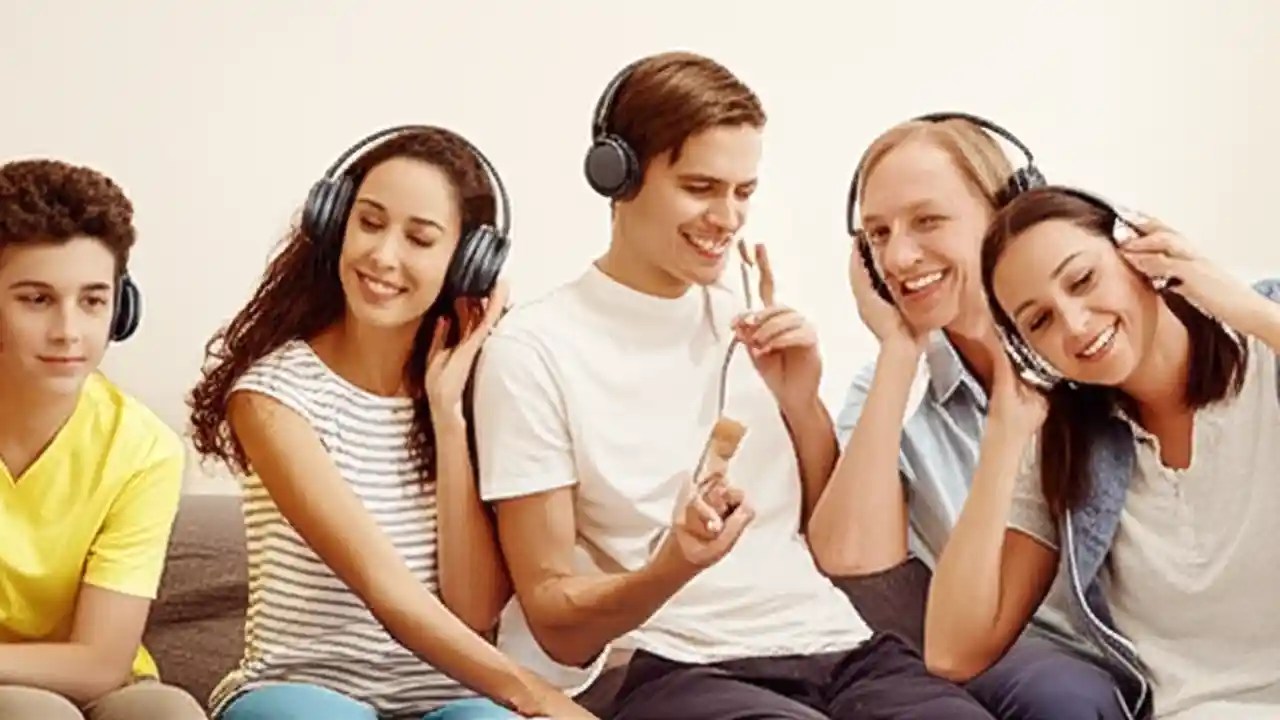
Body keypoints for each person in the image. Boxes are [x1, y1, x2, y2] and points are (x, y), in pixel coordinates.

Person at [471, 51, 994, 720]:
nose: (728, 217)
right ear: (617, 175)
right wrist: (674, 565)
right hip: (670, 664)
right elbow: (553, 620)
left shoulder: (749, 320)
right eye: (701, 187)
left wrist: (801, 402)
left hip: (834, 644)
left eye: (743, 192)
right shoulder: (533, 351)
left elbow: (833, 547)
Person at [185, 125, 594, 720]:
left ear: (466, 263)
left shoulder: (476, 392)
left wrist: (448, 417)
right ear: (336, 224)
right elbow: (386, 589)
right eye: (370, 223)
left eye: (419, 239)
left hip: (448, 702)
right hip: (300, 695)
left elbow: (474, 609)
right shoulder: (271, 397)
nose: (383, 256)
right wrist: (538, 698)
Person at [808, 116, 1127, 719]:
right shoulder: (893, 391)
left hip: (1133, 648)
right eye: (878, 234)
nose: (899, 256)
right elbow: (849, 558)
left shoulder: (1090, 345)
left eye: (927, 221)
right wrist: (899, 349)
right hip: (1008, 659)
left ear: (1006, 214)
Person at [927, 184, 1280, 720]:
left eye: (1083, 280)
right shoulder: (1068, 450)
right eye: (1039, 321)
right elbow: (952, 650)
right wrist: (1002, 438)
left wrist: (1242, 307)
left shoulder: (1265, 349)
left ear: (1139, 251)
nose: (1075, 324)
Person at [0, 159, 207, 719]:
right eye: (37, 299)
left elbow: (100, 664)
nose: (69, 331)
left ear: (121, 310)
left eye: (92, 300)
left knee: (166, 712)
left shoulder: (144, 450)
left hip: (100, 686)